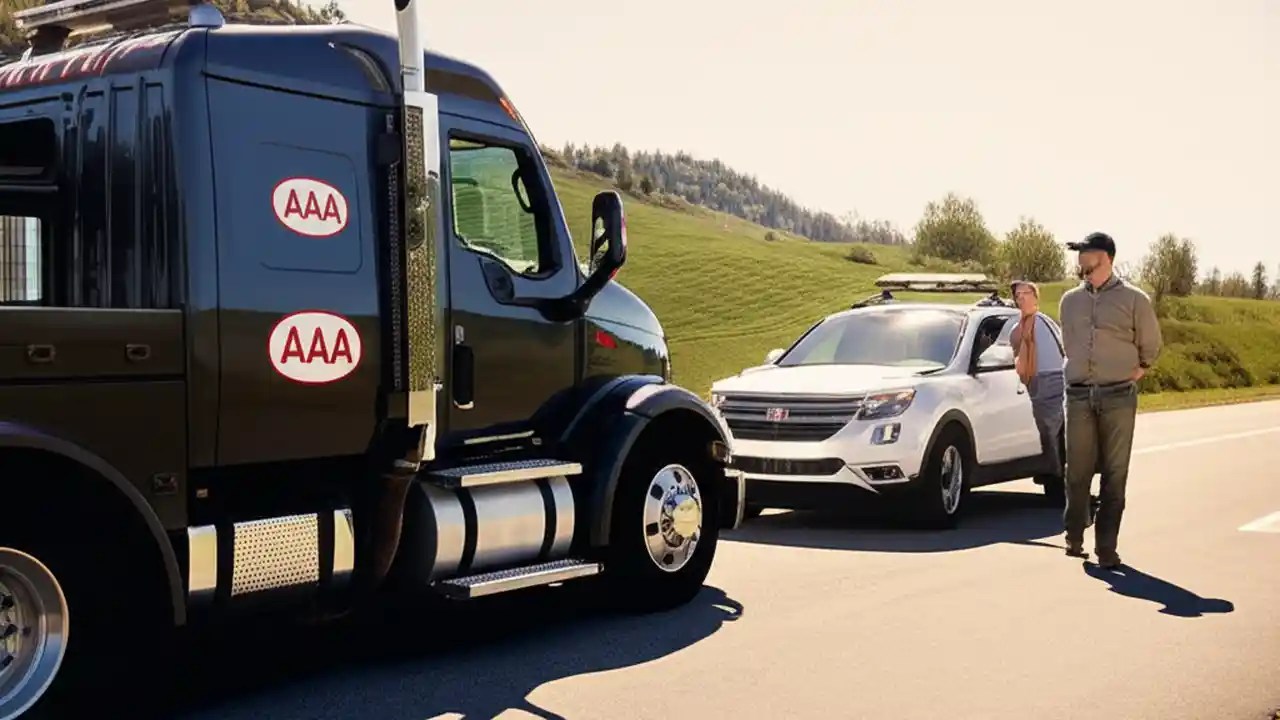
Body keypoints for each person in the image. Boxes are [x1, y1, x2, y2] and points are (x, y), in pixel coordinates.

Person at [1058, 232, 1162, 568]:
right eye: (1082, 269)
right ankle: (1074, 535)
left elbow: (1151, 344)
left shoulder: (1135, 300)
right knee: (1077, 471)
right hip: (1078, 396)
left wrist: (1140, 369)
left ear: (1110, 261)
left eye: (1091, 267)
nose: (1085, 274)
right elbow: (1068, 342)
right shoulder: (1069, 301)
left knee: (1115, 474)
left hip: (1118, 395)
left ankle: (1106, 547)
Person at [1008, 281, 1069, 485]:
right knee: (1046, 431)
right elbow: (1010, 354)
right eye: (1018, 295)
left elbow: (1065, 350)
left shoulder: (1044, 323)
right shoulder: (1017, 329)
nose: (1021, 298)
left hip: (1054, 380)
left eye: (1025, 293)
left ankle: (1059, 476)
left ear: (1036, 297)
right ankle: (1054, 473)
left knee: (1052, 430)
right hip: (1032, 384)